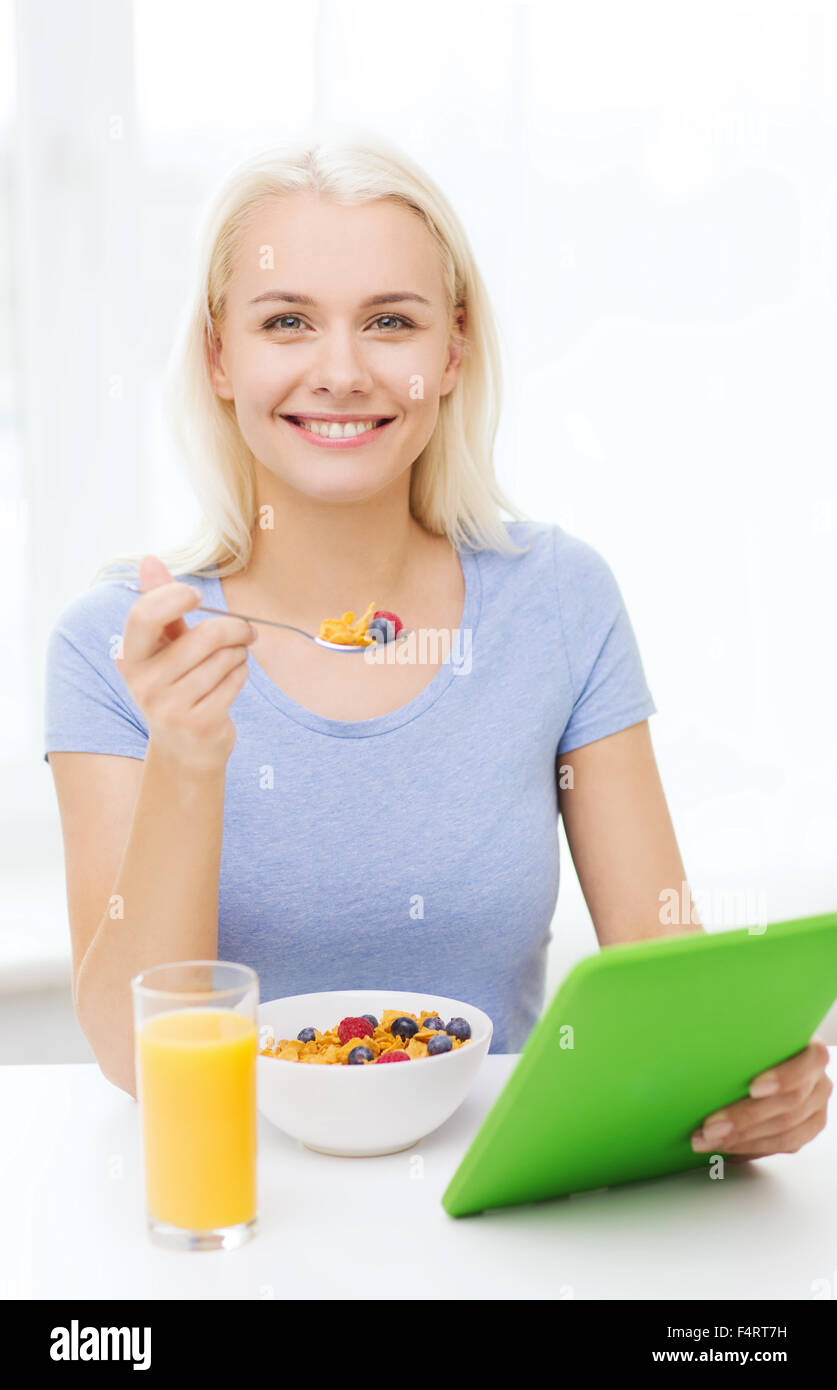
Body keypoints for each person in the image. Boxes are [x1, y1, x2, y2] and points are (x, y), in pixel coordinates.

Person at [44, 135, 830, 1158]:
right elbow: (133, 1056)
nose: (341, 371)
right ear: (218, 356)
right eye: (288, 322)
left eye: (390, 322)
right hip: (229, 1206)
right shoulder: (117, 641)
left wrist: (742, 1089)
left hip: (506, 1192)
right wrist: (187, 754)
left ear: (451, 352)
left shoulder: (557, 600)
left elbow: (661, 976)